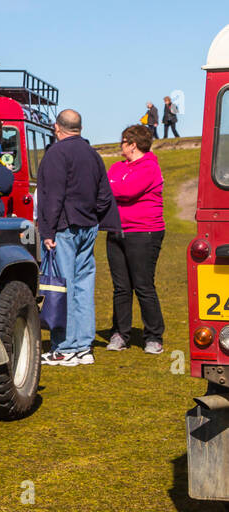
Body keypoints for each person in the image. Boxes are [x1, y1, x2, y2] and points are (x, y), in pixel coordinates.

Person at [36, 109, 122, 366]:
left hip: (65, 228)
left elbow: (54, 196)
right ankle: (84, 346)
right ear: (80, 128)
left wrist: (48, 230)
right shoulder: (93, 154)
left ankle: (65, 347)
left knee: (64, 287)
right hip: (88, 226)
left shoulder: (56, 153)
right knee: (83, 286)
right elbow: (104, 194)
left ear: (56, 127)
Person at [105, 125, 166, 353]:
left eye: (123, 141)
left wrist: (112, 187)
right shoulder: (116, 167)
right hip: (117, 232)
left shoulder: (149, 167)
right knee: (120, 287)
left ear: (133, 144)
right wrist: (112, 187)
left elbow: (127, 190)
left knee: (143, 285)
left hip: (144, 232)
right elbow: (107, 187)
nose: (120, 145)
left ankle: (153, 336)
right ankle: (120, 333)